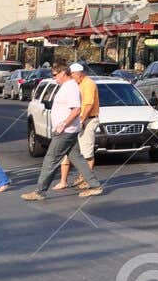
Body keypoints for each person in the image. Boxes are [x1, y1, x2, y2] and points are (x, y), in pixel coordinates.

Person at [22, 64, 101, 201]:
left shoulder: (70, 87)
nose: (54, 78)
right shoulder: (67, 86)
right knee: (77, 158)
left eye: (54, 75)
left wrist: (64, 124)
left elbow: (76, 109)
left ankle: (40, 191)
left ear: (63, 73)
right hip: (68, 130)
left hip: (66, 130)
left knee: (50, 159)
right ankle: (94, 185)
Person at [59, 63, 100, 191]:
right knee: (72, 150)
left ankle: (87, 180)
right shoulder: (75, 84)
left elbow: (88, 105)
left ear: (79, 74)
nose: (71, 77)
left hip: (87, 120)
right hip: (77, 121)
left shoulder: (88, 84)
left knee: (86, 151)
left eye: (72, 75)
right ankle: (76, 178)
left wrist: (81, 120)